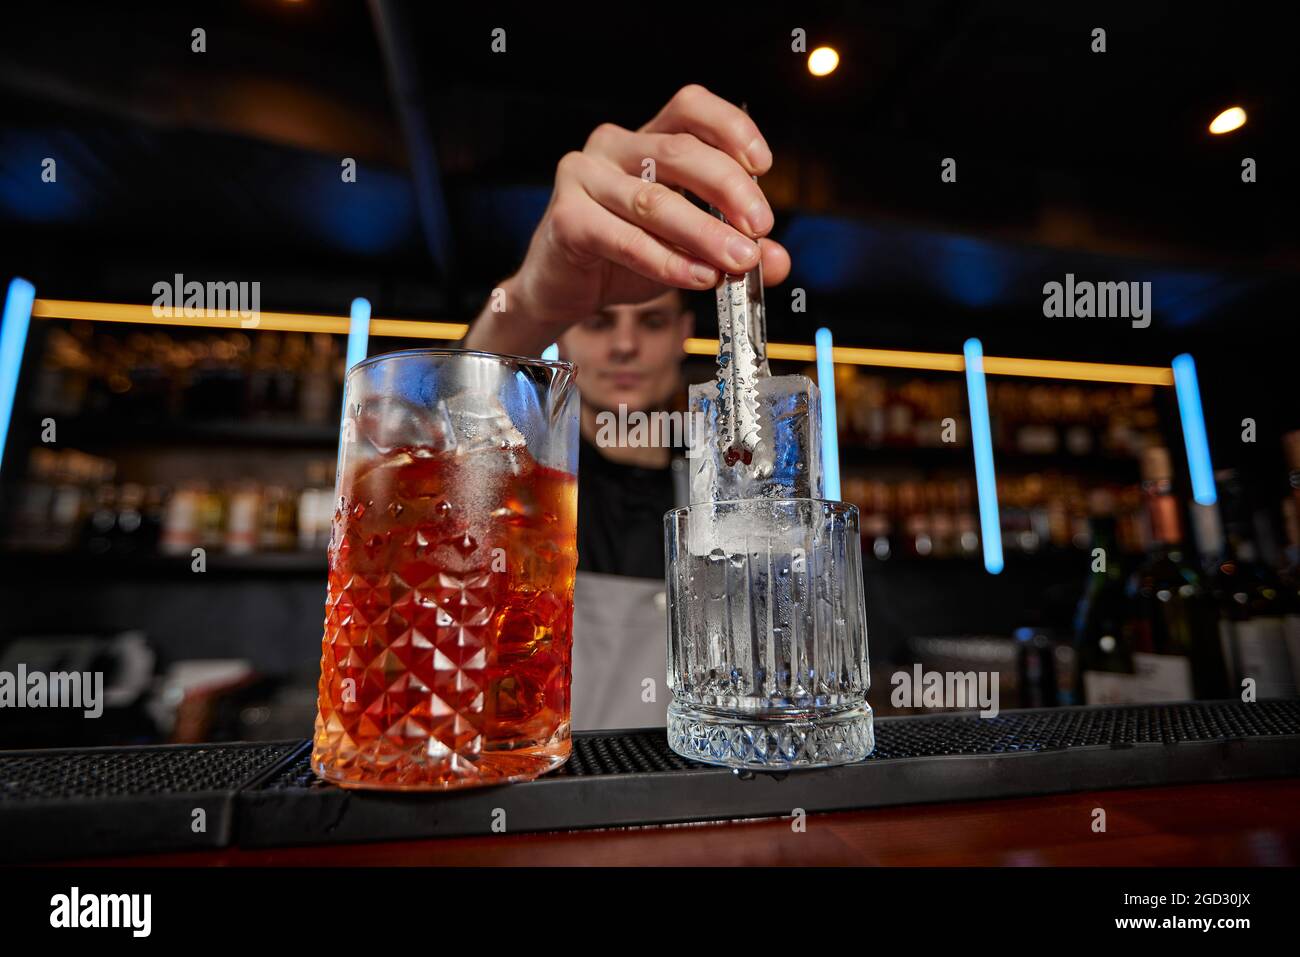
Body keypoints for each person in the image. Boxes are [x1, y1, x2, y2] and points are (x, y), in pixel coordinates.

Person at [462, 85, 789, 729]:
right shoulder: (520, 469)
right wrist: (530, 304)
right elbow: (421, 445)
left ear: (682, 335)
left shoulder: (733, 477)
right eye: (598, 322)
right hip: (548, 797)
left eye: (652, 321)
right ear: (565, 337)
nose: (626, 344)